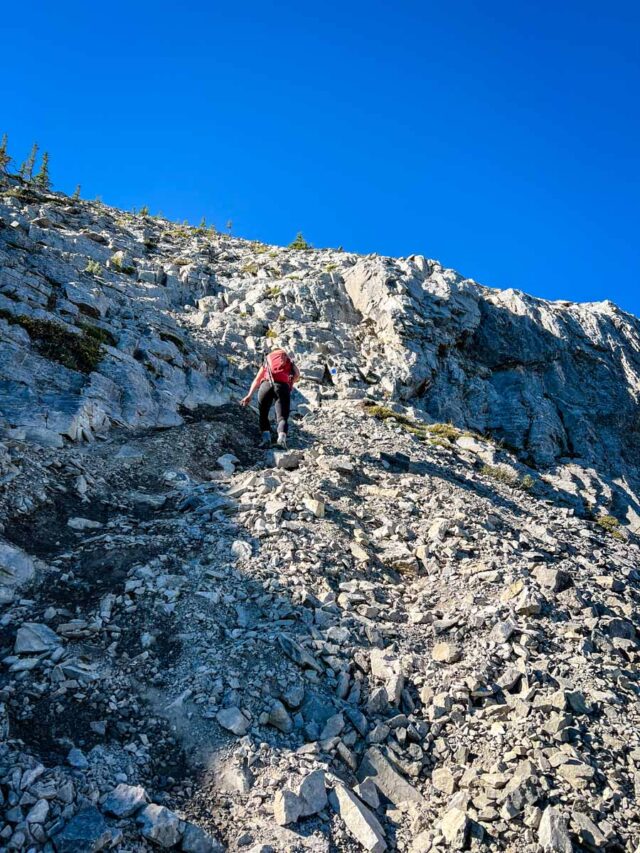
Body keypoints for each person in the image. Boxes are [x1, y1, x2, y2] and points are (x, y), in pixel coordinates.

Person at [240, 348, 300, 447]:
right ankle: (281, 439)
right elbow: (297, 374)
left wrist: (249, 395)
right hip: (282, 387)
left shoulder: (268, 359)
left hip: (266, 385)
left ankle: (266, 439)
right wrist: (291, 382)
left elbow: (257, 379)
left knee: (263, 414)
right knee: (282, 417)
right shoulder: (288, 360)